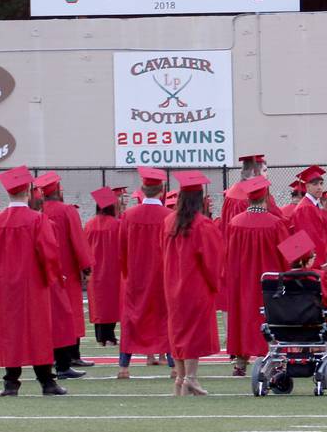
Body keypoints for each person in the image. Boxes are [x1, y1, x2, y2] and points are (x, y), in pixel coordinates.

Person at [0, 166, 65, 397]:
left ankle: (11, 382)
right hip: (34, 285)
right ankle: (47, 382)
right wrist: (52, 277)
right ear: (28, 191)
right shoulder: (38, 220)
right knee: (38, 331)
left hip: (4, 287)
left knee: (10, 332)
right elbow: (49, 252)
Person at [163, 172, 223, 397]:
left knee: (177, 331)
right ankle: (191, 377)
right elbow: (211, 259)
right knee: (192, 333)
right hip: (195, 285)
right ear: (200, 199)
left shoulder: (169, 221)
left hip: (172, 284)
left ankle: (179, 378)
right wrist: (214, 283)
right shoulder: (202, 224)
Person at [223, 176, 289, 376]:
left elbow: (228, 254)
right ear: (267, 197)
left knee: (243, 317)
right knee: (270, 318)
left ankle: (241, 363)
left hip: (242, 281)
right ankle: (276, 360)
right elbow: (288, 255)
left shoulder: (235, 223)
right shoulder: (275, 224)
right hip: (268, 283)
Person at [35, 172, 92, 379]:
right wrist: (86, 267)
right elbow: (77, 240)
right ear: (58, 191)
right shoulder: (67, 211)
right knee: (68, 316)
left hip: (43, 271)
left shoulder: (38, 212)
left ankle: (50, 359)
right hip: (66, 270)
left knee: (48, 315)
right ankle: (67, 359)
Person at [117, 167, 171, 378]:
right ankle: (174, 367)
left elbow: (122, 249)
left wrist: (127, 273)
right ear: (162, 190)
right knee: (165, 317)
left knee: (131, 318)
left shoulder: (129, 216)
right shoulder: (169, 216)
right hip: (162, 276)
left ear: (142, 189)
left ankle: (124, 367)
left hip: (136, 275)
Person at [85, 187, 123, 348]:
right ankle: (110, 336)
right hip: (113, 269)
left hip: (94, 270)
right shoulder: (117, 224)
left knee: (98, 302)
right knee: (112, 303)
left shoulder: (89, 224)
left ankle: (101, 336)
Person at [288, 166, 327, 266]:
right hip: (313, 263)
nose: (319, 187)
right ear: (307, 186)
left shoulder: (312, 205)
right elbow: (312, 238)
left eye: (321, 183)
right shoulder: (305, 208)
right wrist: (321, 262)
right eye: (315, 184)